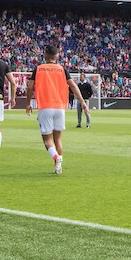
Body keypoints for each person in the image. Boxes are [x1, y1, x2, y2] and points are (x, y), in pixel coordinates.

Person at [26, 45, 89, 175]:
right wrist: (82, 101)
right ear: (57, 56)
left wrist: (28, 103)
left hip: (45, 106)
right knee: (58, 139)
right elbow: (73, 86)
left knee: (47, 140)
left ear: (44, 56)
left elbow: (30, 87)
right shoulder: (62, 69)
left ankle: (56, 158)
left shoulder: (38, 69)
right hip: (60, 107)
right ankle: (57, 167)